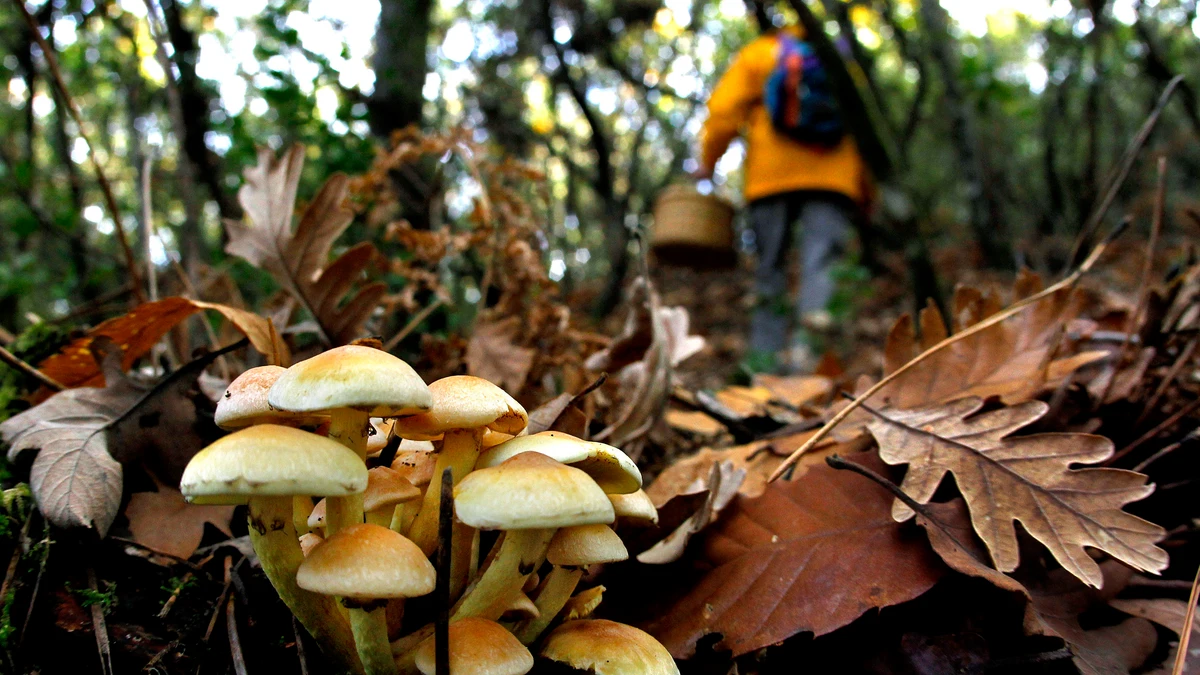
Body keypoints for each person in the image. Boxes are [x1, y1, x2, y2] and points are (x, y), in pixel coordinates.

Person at [695, 23, 869, 374]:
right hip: (834, 177)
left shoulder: (762, 52)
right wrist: (864, 190)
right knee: (822, 266)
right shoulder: (840, 58)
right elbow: (864, 124)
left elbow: (725, 109)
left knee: (769, 269)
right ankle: (811, 366)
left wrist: (707, 161)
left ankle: (764, 367)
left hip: (769, 178)